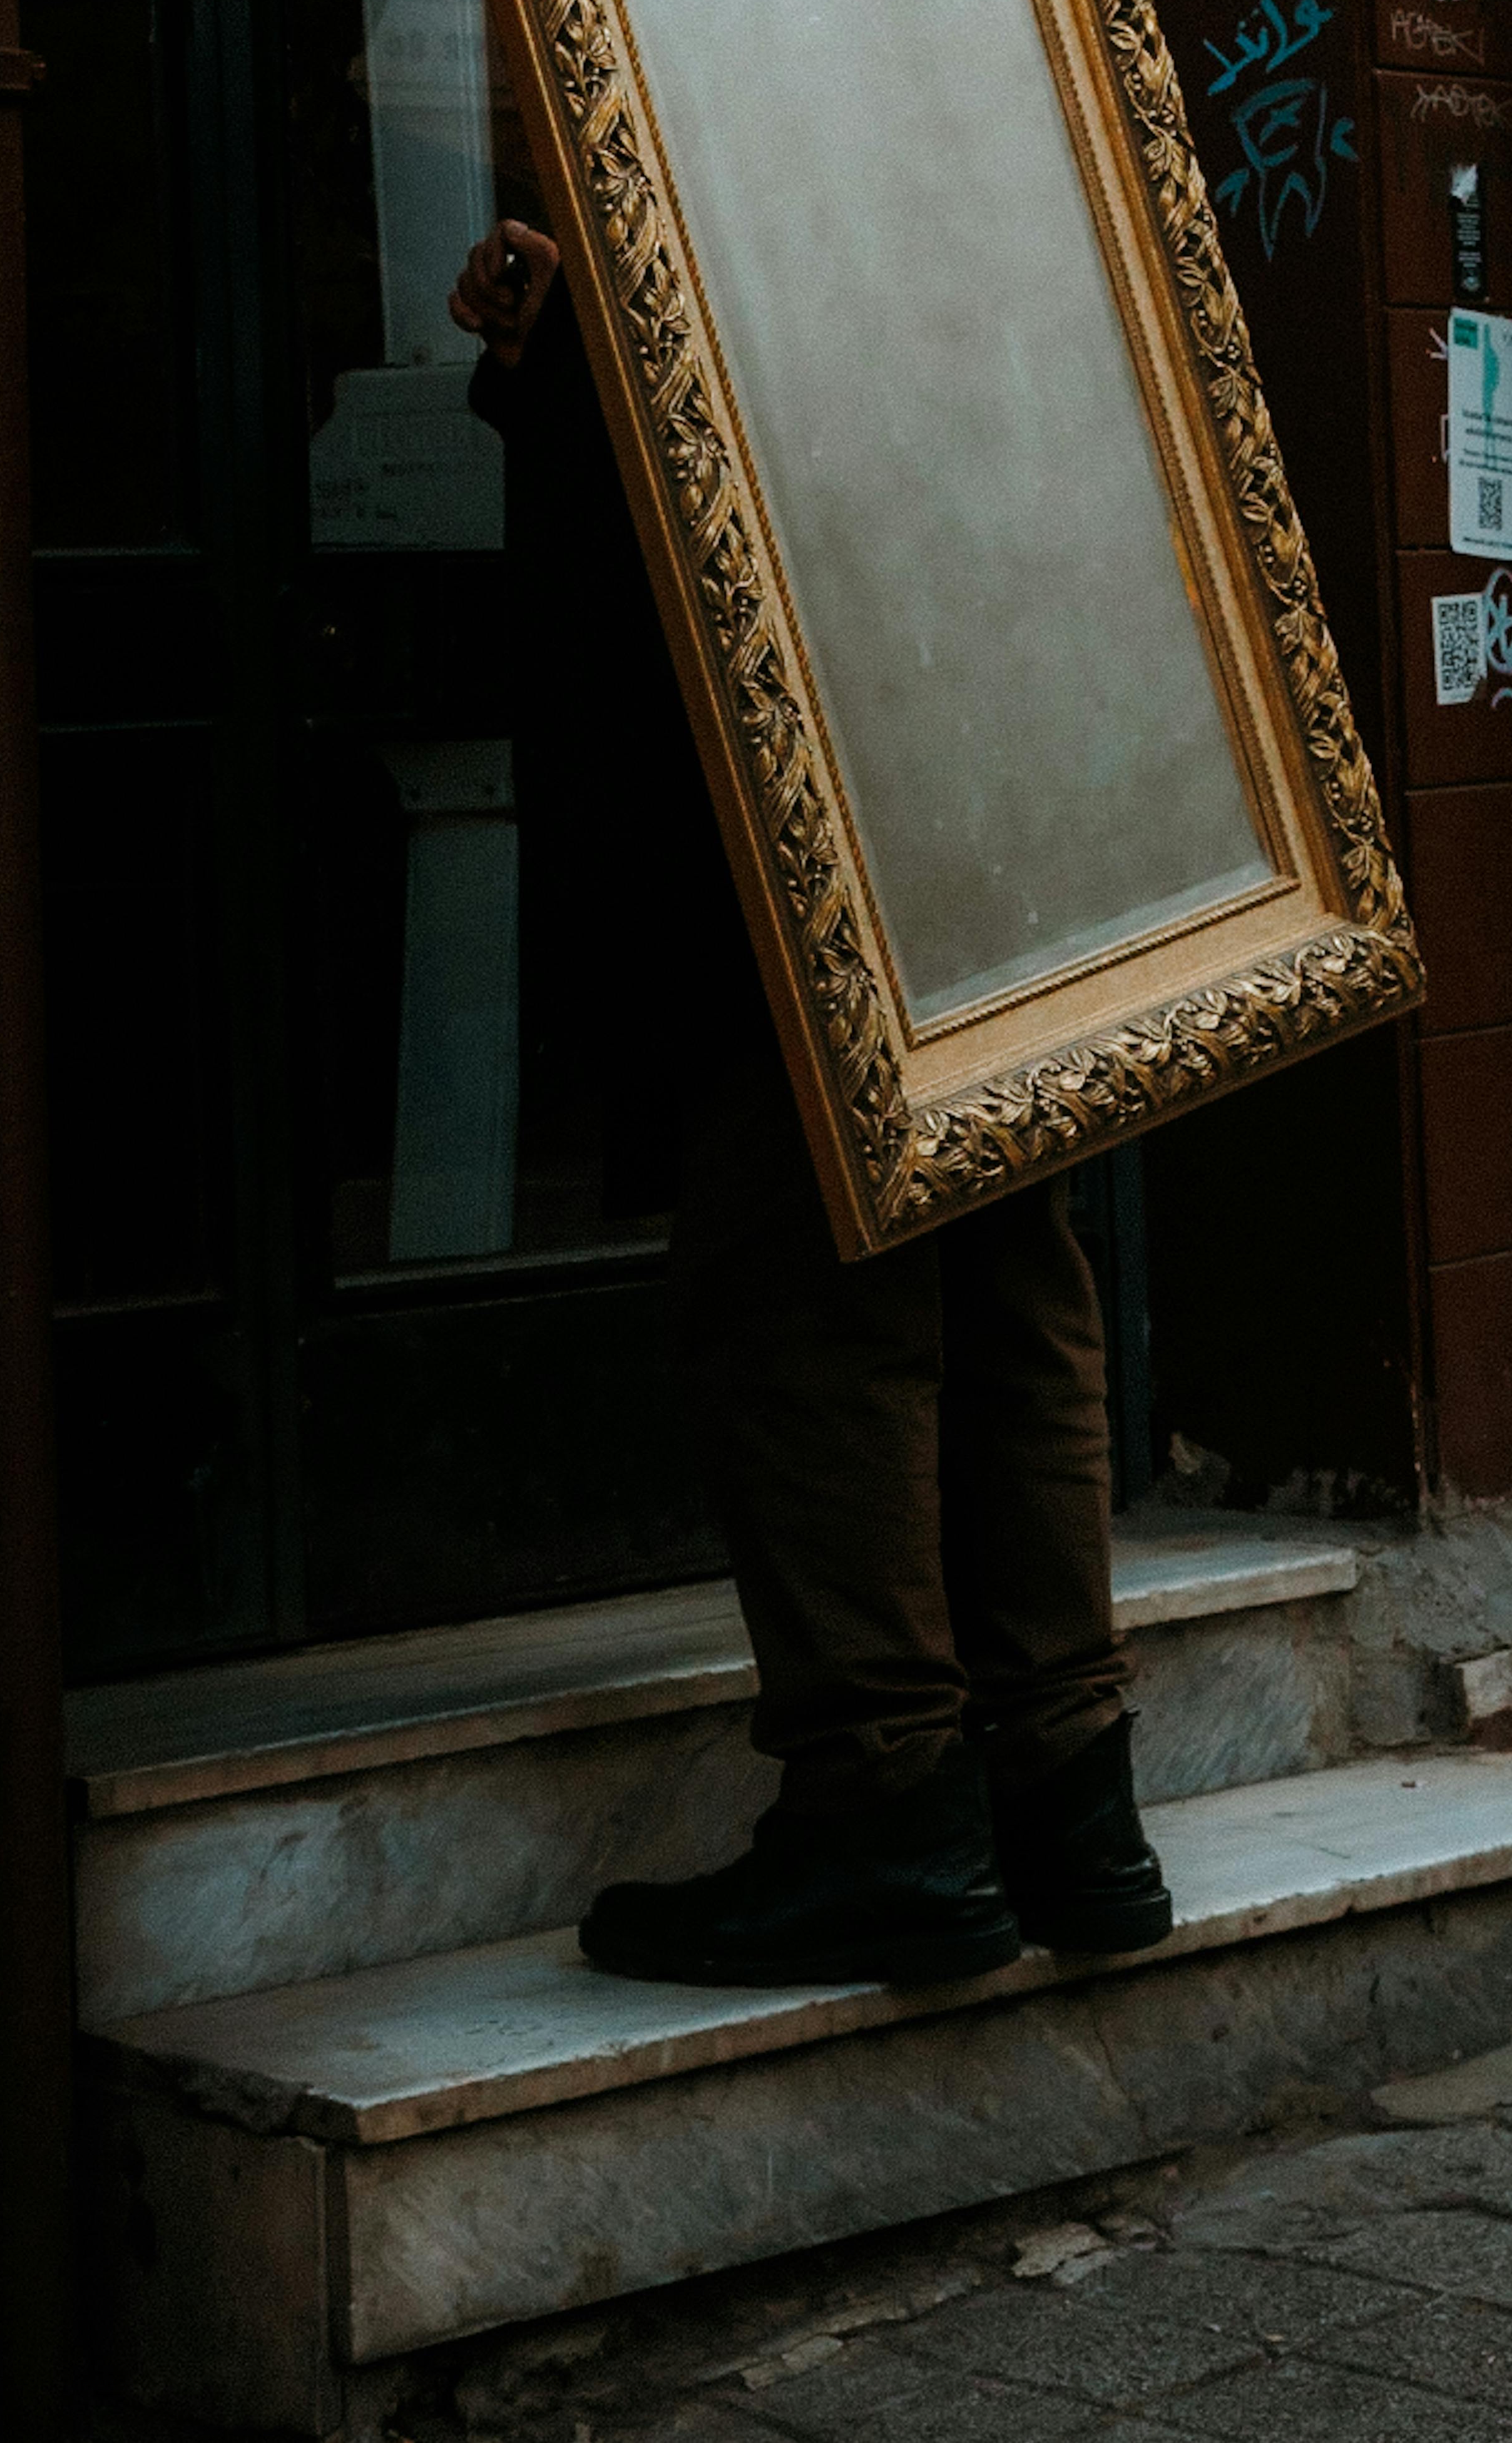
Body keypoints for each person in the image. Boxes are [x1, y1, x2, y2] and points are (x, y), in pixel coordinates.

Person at [452, 212, 1173, 1989]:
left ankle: (891, 1810)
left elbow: (723, 445)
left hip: (806, 765)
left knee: (809, 1291)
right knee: (1008, 1271)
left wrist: (560, 358)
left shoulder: (713, 85)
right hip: (997, 735)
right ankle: (1069, 1802)